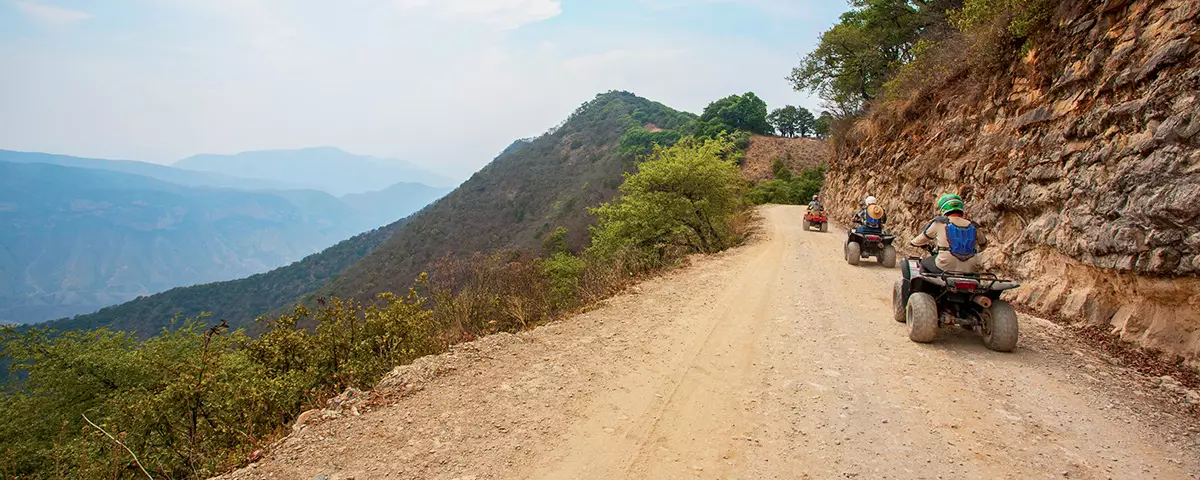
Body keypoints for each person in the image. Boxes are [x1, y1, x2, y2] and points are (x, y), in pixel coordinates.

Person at [910, 193, 988, 274]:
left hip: (945, 265)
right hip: (970, 267)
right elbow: (984, 244)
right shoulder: (973, 226)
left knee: (924, 263)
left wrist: (913, 242)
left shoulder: (939, 223)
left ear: (943, 209)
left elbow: (922, 238)